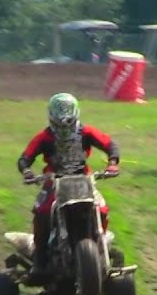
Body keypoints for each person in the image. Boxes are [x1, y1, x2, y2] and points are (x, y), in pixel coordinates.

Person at [17, 93, 121, 277]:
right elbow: (25, 158)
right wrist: (27, 171)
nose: (64, 128)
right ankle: (40, 255)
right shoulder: (44, 137)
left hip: (84, 180)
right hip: (54, 182)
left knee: (102, 210)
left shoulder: (86, 132)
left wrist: (112, 163)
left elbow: (109, 144)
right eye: (59, 124)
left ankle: (100, 243)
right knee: (42, 212)